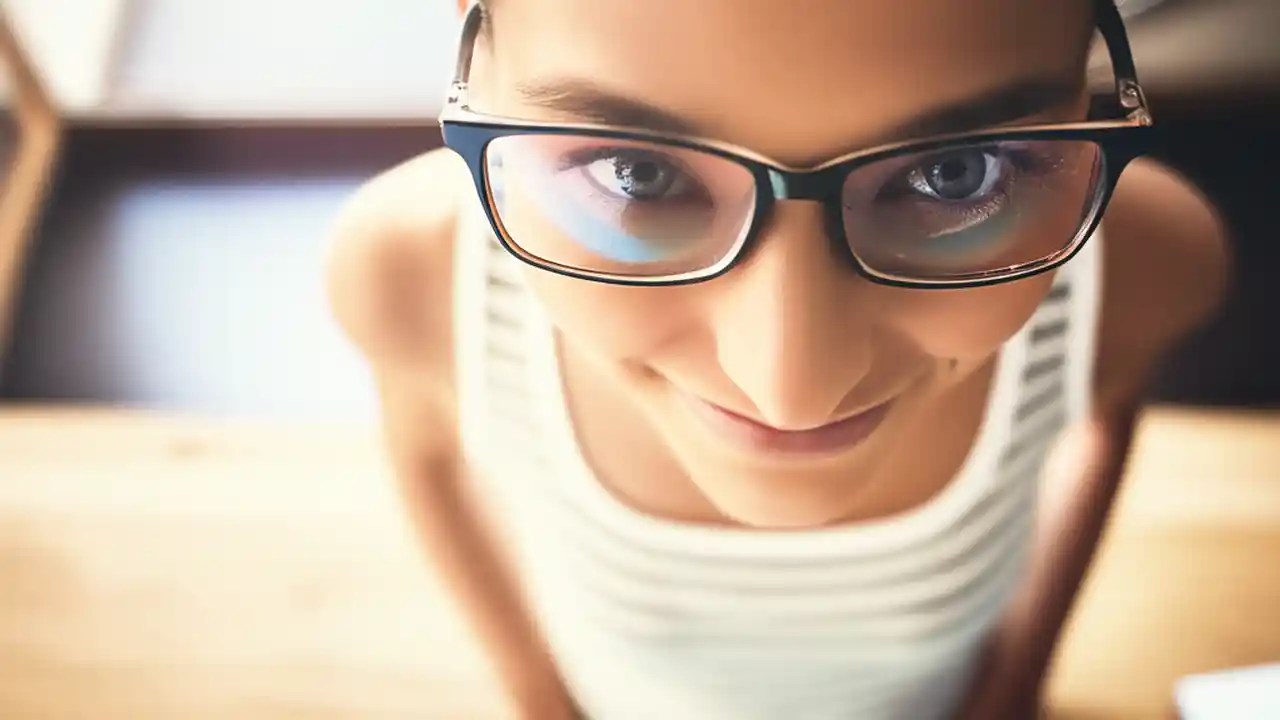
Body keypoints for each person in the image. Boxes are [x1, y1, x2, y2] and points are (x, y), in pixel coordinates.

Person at [326, 1, 1229, 717]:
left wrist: (1018, 680)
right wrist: (533, 692)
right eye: (636, 174)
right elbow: (428, 459)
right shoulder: (414, 271)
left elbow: (1109, 426)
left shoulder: (1140, 269)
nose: (792, 388)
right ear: (473, 42)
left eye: (958, 175)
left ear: (1086, 73)